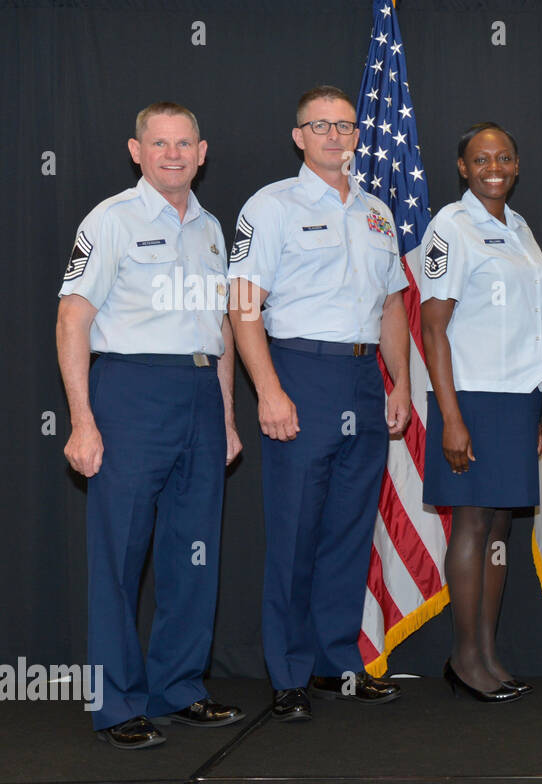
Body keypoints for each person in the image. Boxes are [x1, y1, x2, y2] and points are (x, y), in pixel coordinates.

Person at [57, 102, 243, 748]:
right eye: (158, 143)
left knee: (193, 551)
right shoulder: (110, 221)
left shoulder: (214, 229)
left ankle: (180, 686)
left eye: (183, 143)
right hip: (130, 392)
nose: (172, 153)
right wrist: (82, 419)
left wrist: (225, 415)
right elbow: (72, 321)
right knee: (120, 554)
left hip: (198, 393)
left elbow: (221, 327)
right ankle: (116, 704)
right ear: (136, 151)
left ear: (202, 151)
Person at [229, 85, 412, 722]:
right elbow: (244, 304)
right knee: (295, 530)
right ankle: (288, 672)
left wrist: (402, 383)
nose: (336, 136)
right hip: (300, 374)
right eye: (321, 126)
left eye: (346, 125)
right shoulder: (271, 207)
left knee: (348, 529)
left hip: (365, 382)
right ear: (298, 136)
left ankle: (339, 663)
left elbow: (391, 304)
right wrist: (269, 389)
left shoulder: (378, 212)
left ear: (358, 135)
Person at [416, 123, 542, 704]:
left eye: (503, 157)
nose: (492, 166)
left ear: (516, 166)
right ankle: (464, 657)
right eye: (480, 159)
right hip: (470, 397)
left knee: (498, 529)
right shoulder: (451, 226)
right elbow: (433, 327)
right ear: (463, 168)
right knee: (472, 524)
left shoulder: (518, 228)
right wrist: (451, 416)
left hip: (518, 399)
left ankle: (487, 653)